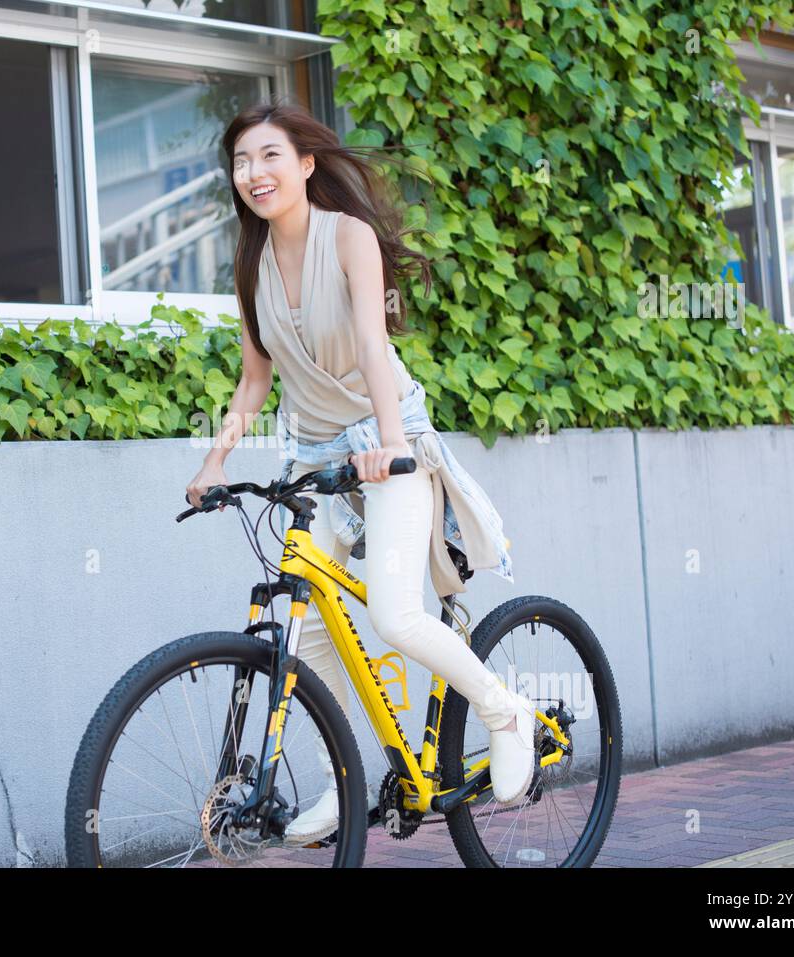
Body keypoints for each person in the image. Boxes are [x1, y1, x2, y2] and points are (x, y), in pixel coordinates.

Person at [185, 100, 536, 845]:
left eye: (270, 156)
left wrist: (385, 442)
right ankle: (341, 784)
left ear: (306, 164)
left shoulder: (348, 237)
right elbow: (253, 383)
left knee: (393, 613)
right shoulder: (249, 263)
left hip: (387, 433)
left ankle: (506, 713)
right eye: (242, 162)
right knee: (308, 637)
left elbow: (374, 348)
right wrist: (215, 459)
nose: (255, 174)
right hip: (314, 453)